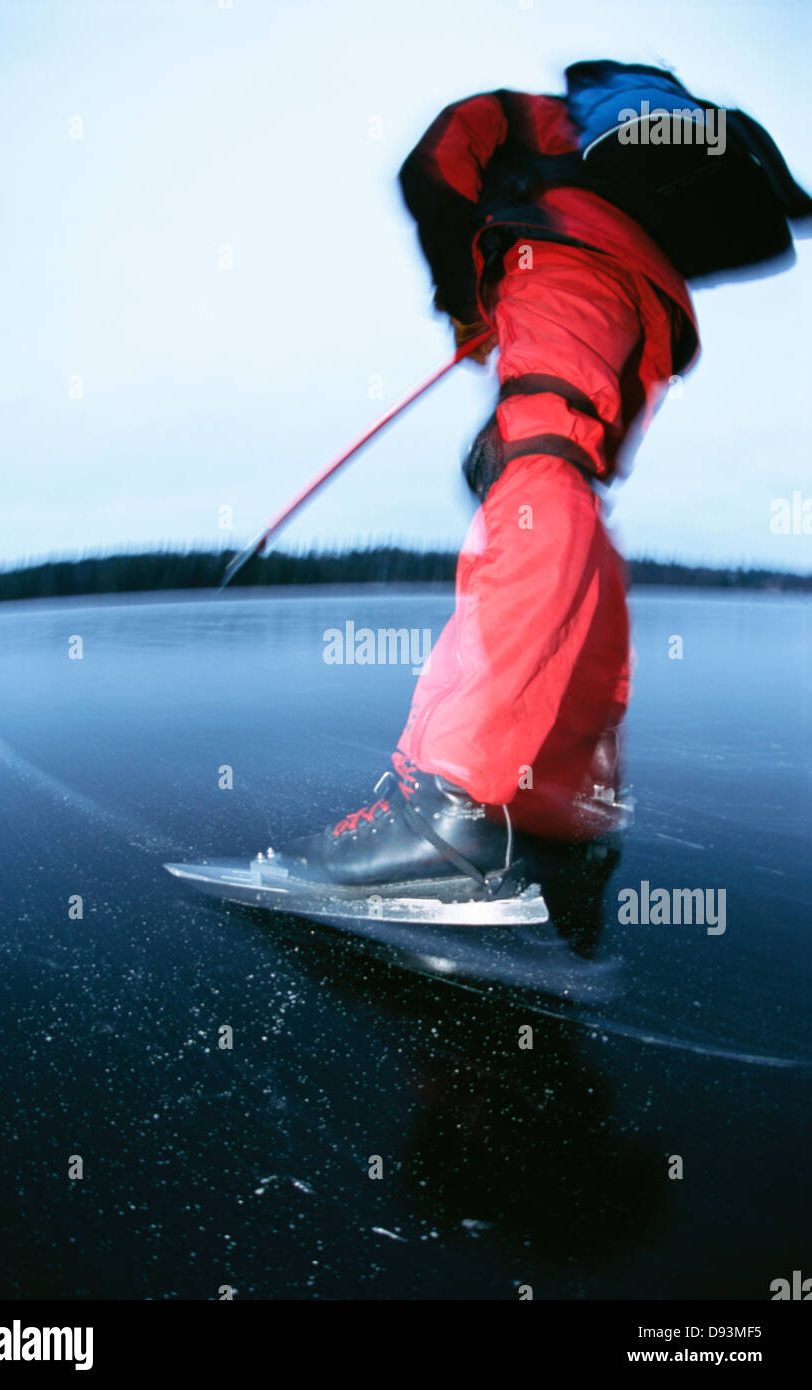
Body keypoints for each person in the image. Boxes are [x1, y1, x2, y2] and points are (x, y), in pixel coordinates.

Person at [252, 65, 804, 953]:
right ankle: (554, 817)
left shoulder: (526, 117)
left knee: (538, 477)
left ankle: (455, 806)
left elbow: (432, 166)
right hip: (647, 312)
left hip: (566, 260)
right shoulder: (643, 145)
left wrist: (465, 299)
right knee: (561, 479)